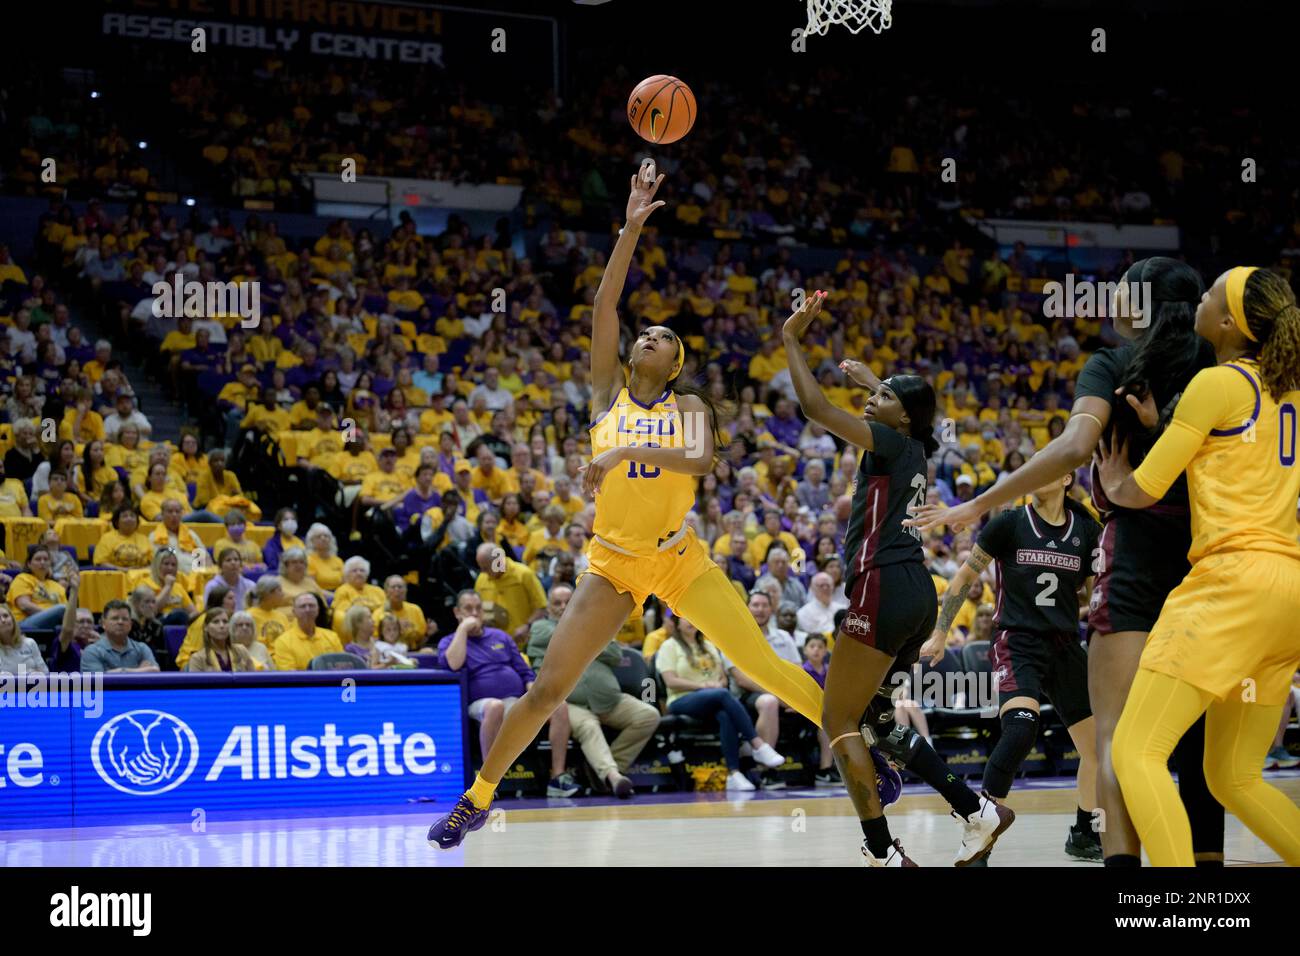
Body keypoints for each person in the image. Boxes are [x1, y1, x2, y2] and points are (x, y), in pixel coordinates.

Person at [429, 162, 824, 851]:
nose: (650, 335)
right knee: (547, 691)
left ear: (673, 364)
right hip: (612, 565)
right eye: (646, 331)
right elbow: (604, 306)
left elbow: (701, 463)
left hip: (677, 560)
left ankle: (859, 742)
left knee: (759, 662)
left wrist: (615, 457)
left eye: (665, 337)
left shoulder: (691, 406)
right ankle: (477, 799)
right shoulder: (607, 392)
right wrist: (631, 226)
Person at [908, 257, 1224, 867]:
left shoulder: (1113, 365)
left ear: (1136, 304)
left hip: (1133, 550)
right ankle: (1202, 891)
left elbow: (1077, 447)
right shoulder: (1223, 369)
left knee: (1113, 738)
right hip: (1207, 553)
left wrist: (975, 501)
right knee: (1198, 741)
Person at [784, 290, 1007, 866]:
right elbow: (906, 411)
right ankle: (974, 811)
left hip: (882, 587)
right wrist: (874, 384)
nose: (871, 399)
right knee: (880, 720)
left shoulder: (891, 440)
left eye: (882, 396)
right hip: (915, 596)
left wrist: (790, 338)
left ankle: (882, 853)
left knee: (838, 720)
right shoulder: (912, 446)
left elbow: (815, 410)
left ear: (900, 415)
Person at [1098, 265, 1300, 866]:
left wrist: (1114, 483)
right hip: (1287, 592)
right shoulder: (1290, 391)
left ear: (1231, 323)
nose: (1199, 301)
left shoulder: (1217, 383)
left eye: (1210, 295)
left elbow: (1145, 487)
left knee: (1135, 752)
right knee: (1232, 776)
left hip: (1231, 582)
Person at [924, 470, 1102, 861]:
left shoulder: (1086, 530)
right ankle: (980, 830)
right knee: (1021, 729)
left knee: (1096, 747)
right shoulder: (1009, 523)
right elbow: (964, 578)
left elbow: (1090, 592)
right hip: (1017, 641)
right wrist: (940, 632)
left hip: (1066, 644)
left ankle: (1085, 832)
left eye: (1049, 466)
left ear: (1066, 477)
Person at [436, 589, 579, 798]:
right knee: (495, 706)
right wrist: (464, 630)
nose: (475, 613)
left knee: (559, 707)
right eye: (468, 609)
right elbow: (453, 663)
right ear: (457, 612)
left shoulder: (500, 636)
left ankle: (558, 778)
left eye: (478, 608)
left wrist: (536, 696)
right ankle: (486, 787)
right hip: (479, 703)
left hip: (514, 700)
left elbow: (524, 671)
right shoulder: (450, 641)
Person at [527, 583, 659, 798]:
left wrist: (585, 634)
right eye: (557, 603)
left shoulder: (597, 624)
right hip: (569, 703)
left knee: (648, 715)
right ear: (548, 609)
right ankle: (614, 777)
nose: (562, 607)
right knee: (589, 726)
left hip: (609, 699)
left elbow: (616, 655)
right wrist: (591, 636)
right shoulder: (541, 627)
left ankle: (600, 770)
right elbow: (563, 641)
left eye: (568, 602)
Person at [656, 617, 785, 791]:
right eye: (685, 618)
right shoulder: (669, 646)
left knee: (725, 714)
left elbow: (723, 677)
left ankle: (734, 774)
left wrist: (719, 684)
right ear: (677, 623)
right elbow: (670, 681)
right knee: (723, 695)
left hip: (714, 698)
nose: (691, 621)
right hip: (681, 699)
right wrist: (703, 686)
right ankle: (757, 744)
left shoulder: (709, 646)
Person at [80, 600, 160, 673]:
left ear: (130, 625)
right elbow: (97, 682)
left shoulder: (142, 648)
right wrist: (139, 671)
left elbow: (155, 672)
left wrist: (118, 671)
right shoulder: (92, 651)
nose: (120, 622)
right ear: (103, 624)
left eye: (125, 619)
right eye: (115, 618)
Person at [271, 593, 344, 670]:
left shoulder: (332, 636)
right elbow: (289, 676)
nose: (307, 610)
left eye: (311, 605)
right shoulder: (283, 641)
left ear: (318, 610)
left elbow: (342, 665)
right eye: (302, 606)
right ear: (294, 612)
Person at [8, 544, 69, 631]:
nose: (42, 562)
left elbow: (68, 612)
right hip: (25, 623)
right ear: (29, 564)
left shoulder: (57, 586)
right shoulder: (22, 578)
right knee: (61, 609)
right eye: (38, 559)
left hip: (54, 622)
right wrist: (51, 614)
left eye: (46, 559)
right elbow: (24, 606)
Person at [185, 607, 256, 672]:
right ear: (206, 627)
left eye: (225, 622)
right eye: (216, 622)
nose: (222, 626)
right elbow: (196, 685)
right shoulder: (198, 658)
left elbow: (254, 680)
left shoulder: (241, 651)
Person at [93, 504, 153, 569]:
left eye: (132, 516)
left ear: (137, 522)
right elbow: (100, 563)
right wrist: (124, 570)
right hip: (115, 576)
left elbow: (153, 563)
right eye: (125, 516)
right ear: (117, 522)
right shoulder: (107, 538)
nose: (129, 519)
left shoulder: (144, 539)